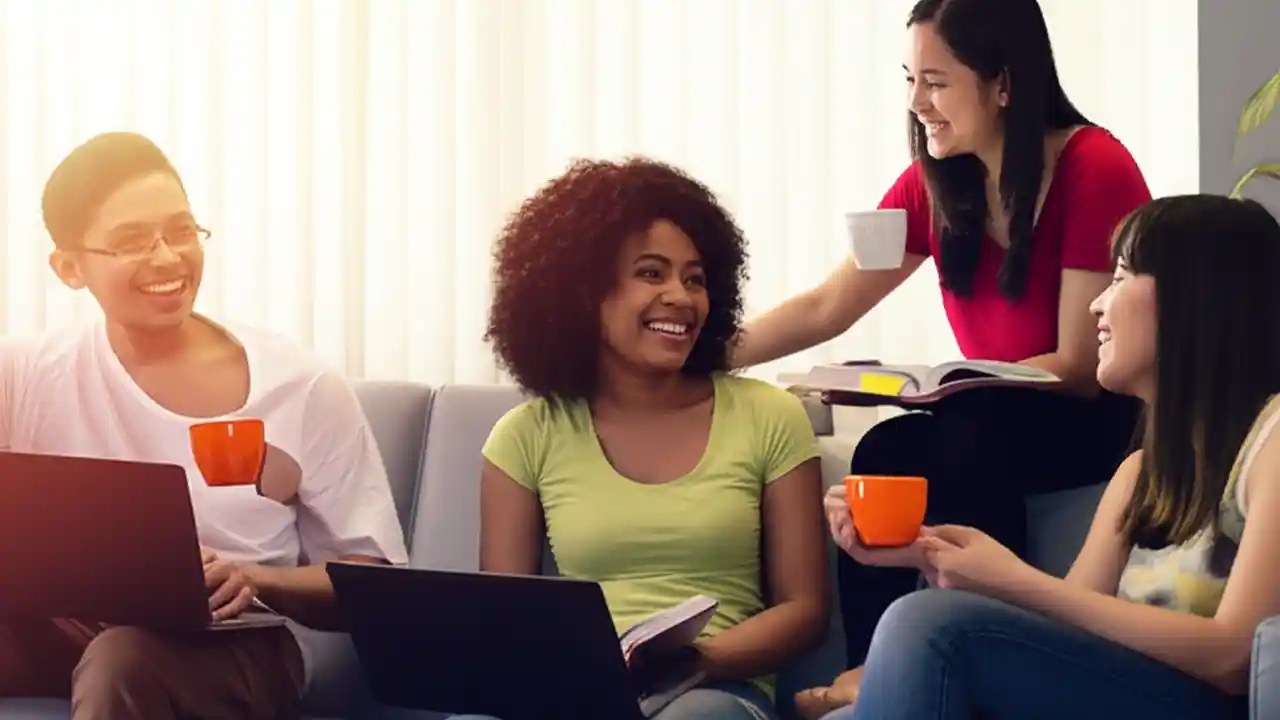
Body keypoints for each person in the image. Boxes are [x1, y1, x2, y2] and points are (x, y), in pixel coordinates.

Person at [728, 0, 1153, 709]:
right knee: (888, 450)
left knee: (966, 436)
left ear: (1003, 85)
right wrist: (710, 354)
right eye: (909, 80)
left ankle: (995, 647)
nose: (917, 104)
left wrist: (962, 390)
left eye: (935, 81)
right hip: (993, 412)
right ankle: (868, 669)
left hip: (1096, 414)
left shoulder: (1091, 167)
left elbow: (1080, 365)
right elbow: (828, 306)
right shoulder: (939, 180)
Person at [822, 194, 1280, 719]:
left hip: (1201, 704)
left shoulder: (1272, 442)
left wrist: (1014, 577)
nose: (1096, 304)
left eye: (1121, 276)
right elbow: (1067, 620)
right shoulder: (1140, 474)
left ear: (1197, 297)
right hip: (1119, 692)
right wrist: (926, 552)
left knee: (925, 626)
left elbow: (1236, 654)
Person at [0, 132, 408, 719]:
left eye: (182, 231)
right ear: (69, 268)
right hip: (70, 628)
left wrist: (253, 577)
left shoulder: (300, 385)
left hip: (238, 643)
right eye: (133, 242)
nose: (168, 258)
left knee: (124, 660)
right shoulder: (30, 373)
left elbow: (375, 588)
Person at [454, 157, 829, 720]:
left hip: (716, 692)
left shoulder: (769, 416)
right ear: (583, 292)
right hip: (575, 694)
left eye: (695, 278)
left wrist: (697, 659)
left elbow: (805, 609)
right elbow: (510, 621)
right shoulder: (526, 436)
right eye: (651, 273)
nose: (681, 296)